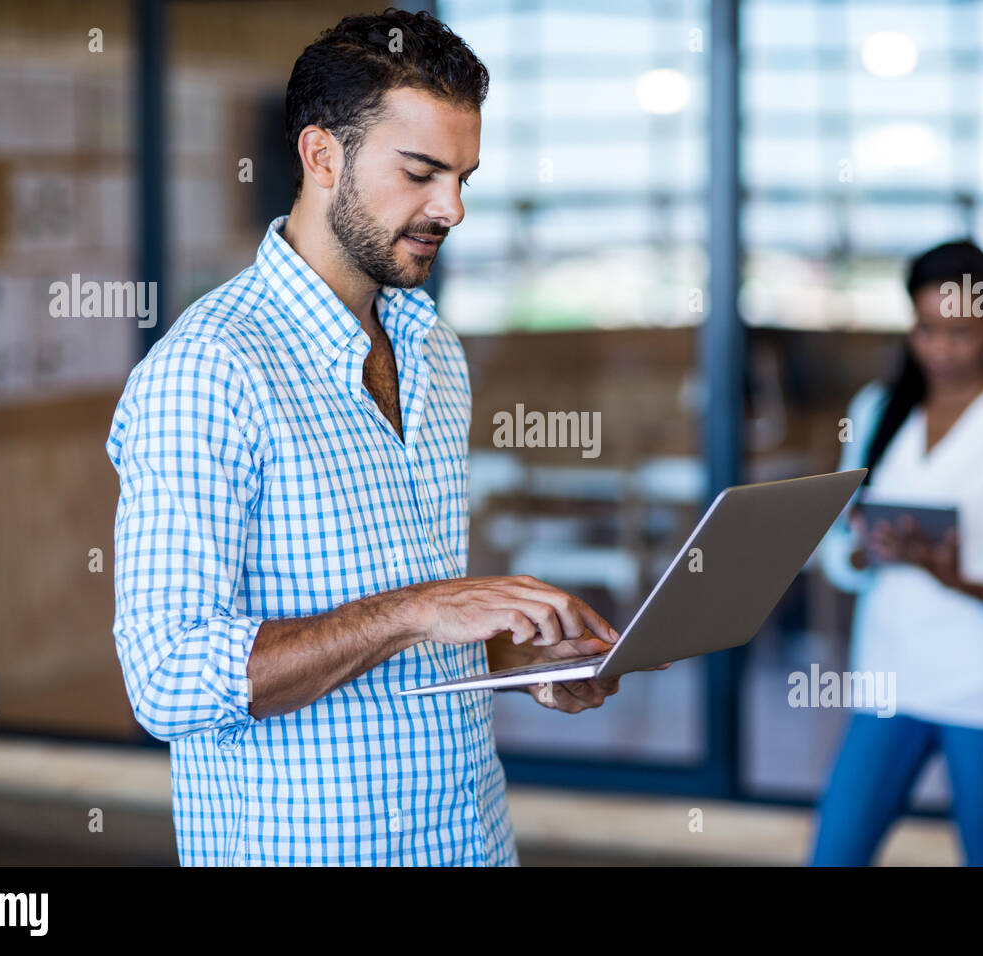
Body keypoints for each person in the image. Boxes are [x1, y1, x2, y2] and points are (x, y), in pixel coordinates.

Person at [105, 9, 630, 866]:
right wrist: (418, 607)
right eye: (420, 172)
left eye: (463, 177)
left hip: (468, 840)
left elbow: (410, 632)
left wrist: (523, 660)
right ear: (322, 157)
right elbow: (168, 680)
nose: (452, 208)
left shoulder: (433, 349)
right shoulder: (211, 371)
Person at [810, 239, 983, 866]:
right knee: (834, 853)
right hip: (889, 677)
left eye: (960, 332)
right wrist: (866, 552)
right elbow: (835, 556)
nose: (941, 349)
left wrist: (951, 576)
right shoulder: (876, 411)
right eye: (926, 329)